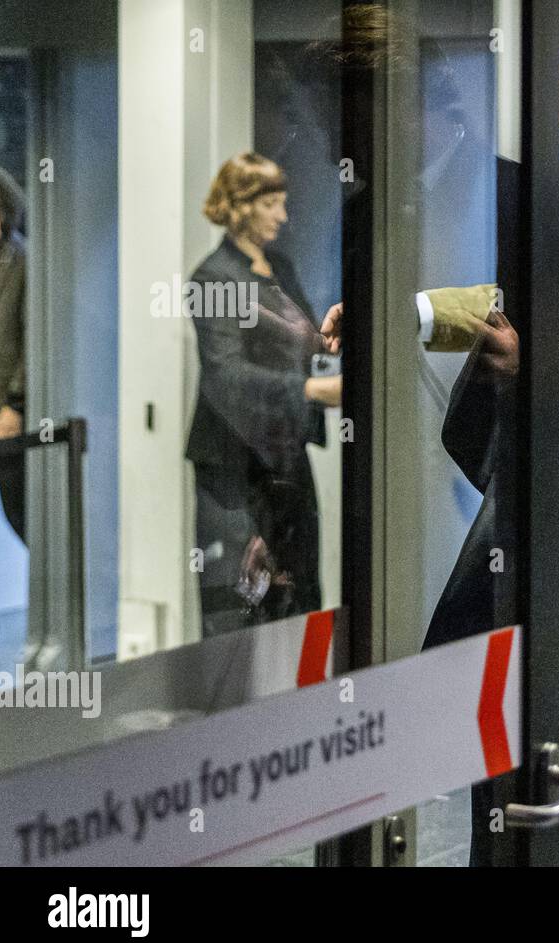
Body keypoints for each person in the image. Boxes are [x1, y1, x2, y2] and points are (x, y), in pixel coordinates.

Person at [187, 153, 340, 638]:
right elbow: (225, 376)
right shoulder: (212, 277)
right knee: (239, 603)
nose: (283, 215)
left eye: (282, 203)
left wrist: (327, 341)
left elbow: (302, 341)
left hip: (284, 456)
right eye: (271, 204)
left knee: (300, 594)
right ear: (239, 206)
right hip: (235, 467)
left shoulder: (280, 267)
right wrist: (310, 388)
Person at [0, 166, 26, 541]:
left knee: (21, 514)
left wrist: (16, 405)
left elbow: (33, 340)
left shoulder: (23, 261)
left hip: (7, 413)